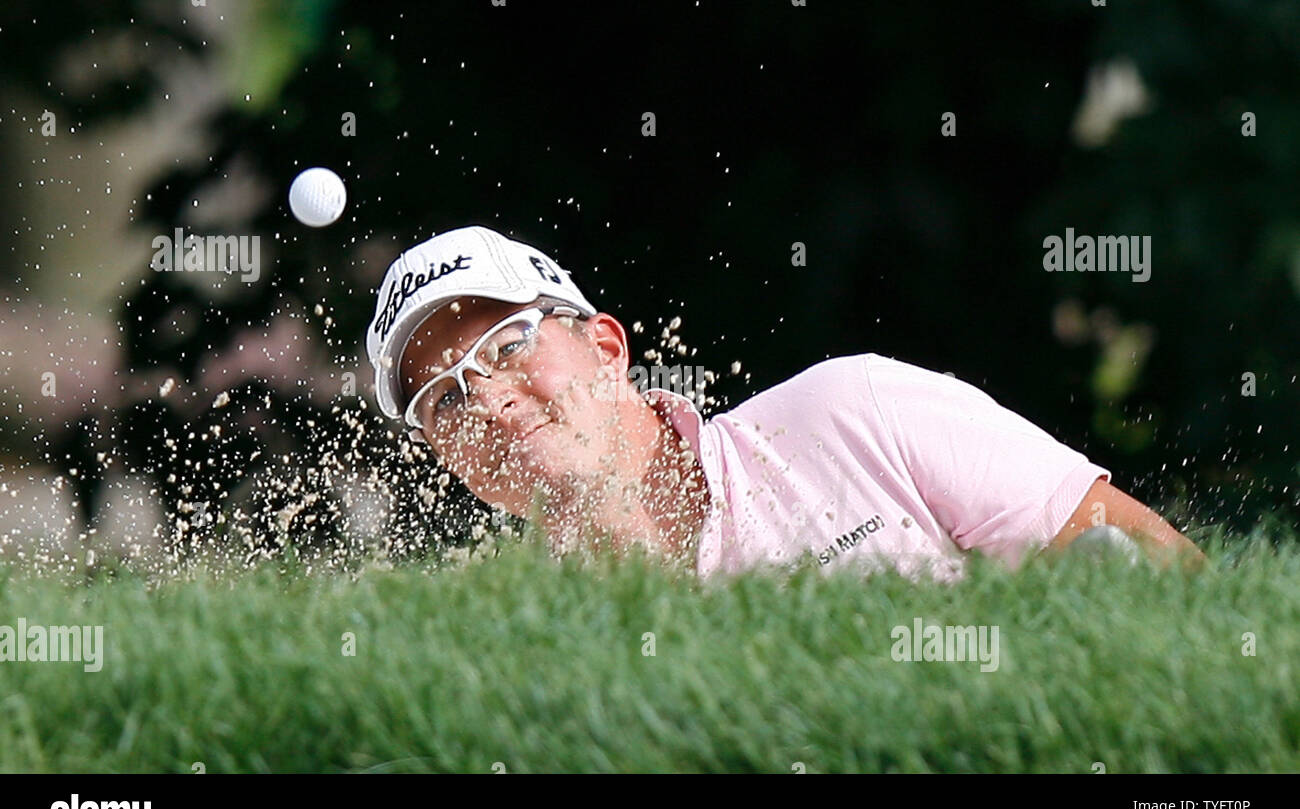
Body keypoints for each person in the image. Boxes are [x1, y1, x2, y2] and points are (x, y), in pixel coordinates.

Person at [365, 225, 1207, 580]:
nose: (488, 401)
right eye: (441, 401)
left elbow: (1160, 572)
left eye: (508, 345)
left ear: (606, 346)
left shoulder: (853, 410)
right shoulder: (524, 654)